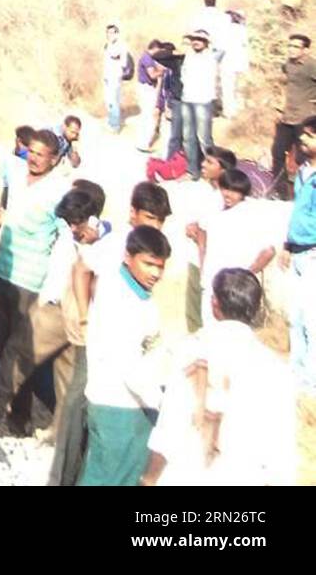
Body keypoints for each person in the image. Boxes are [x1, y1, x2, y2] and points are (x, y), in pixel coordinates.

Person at [142, 269, 296, 486]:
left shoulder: (190, 351)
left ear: (214, 304)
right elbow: (282, 454)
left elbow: (169, 428)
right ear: (256, 309)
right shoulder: (276, 369)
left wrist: (148, 479)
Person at [0, 183, 103, 439]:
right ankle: (60, 431)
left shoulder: (88, 242)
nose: (71, 226)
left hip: (58, 309)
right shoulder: (97, 238)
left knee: (17, 354)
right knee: (65, 377)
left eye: (76, 221)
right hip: (78, 318)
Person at [0, 129, 71, 433]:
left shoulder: (60, 190)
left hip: (32, 279)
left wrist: (56, 281)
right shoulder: (17, 169)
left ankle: (17, 414)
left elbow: (68, 233)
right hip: (4, 270)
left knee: (20, 349)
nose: (34, 158)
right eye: (31, 152)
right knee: (4, 342)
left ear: (53, 159)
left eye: (41, 154)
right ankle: (11, 403)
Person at [78, 226, 171, 486]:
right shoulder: (122, 300)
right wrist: (164, 404)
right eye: (149, 264)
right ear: (128, 257)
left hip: (120, 403)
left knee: (101, 475)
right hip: (122, 406)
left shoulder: (129, 290)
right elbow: (131, 369)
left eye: (160, 267)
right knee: (113, 479)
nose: (155, 273)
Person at [47, 179, 110, 487]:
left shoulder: (107, 241)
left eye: (76, 222)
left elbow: (83, 271)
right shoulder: (83, 239)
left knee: (77, 405)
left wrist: (86, 317)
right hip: (82, 330)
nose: (73, 228)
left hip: (95, 336)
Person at [197, 166, 276, 328]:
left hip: (236, 291)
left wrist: (246, 275)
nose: (228, 194)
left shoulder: (251, 215)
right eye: (225, 188)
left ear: (243, 193)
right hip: (211, 281)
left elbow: (269, 252)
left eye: (234, 191)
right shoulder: (213, 210)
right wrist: (202, 265)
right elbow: (202, 234)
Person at [183, 147, 237, 332]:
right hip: (196, 258)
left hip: (211, 261)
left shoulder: (227, 198)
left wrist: (198, 232)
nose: (203, 164)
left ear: (223, 170)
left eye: (210, 162)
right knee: (193, 311)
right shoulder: (207, 192)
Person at [283, 117, 316, 392]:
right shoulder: (304, 171)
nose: (303, 141)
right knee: (295, 316)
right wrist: (286, 245)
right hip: (297, 252)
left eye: (309, 137)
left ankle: (312, 381)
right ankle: (296, 372)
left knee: (311, 318)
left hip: (313, 253)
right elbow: (296, 213)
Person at [274, 34, 316, 198]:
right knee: (277, 154)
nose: (291, 49)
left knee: (302, 158)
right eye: (290, 46)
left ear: (305, 50)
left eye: (296, 47)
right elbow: (284, 81)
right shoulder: (288, 65)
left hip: (303, 119)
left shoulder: (311, 65)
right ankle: (280, 192)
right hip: (287, 117)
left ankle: (304, 192)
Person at [179, 30, 217, 178]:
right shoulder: (189, 55)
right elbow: (184, 75)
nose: (196, 42)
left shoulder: (210, 56)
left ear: (206, 42)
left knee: (204, 139)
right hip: (187, 99)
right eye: (194, 39)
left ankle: (213, 171)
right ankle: (192, 170)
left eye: (200, 39)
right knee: (188, 137)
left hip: (203, 101)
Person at [135, 40, 165, 153]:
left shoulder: (146, 57)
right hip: (147, 88)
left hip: (144, 88)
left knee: (145, 115)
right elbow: (152, 75)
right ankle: (144, 143)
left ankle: (141, 141)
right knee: (149, 116)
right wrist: (162, 71)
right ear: (155, 48)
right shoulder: (147, 59)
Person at [101, 24, 132, 133]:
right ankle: (111, 120)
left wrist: (118, 73)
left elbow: (122, 62)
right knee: (108, 100)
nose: (110, 35)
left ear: (117, 34)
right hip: (107, 76)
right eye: (108, 33)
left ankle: (115, 125)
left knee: (114, 100)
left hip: (115, 76)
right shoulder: (107, 45)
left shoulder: (121, 46)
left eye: (112, 32)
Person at [218, 12, 249, 119]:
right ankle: (241, 110)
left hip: (227, 62)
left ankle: (229, 112)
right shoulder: (243, 29)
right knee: (240, 88)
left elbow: (220, 48)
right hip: (242, 62)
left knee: (228, 88)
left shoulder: (223, 30)